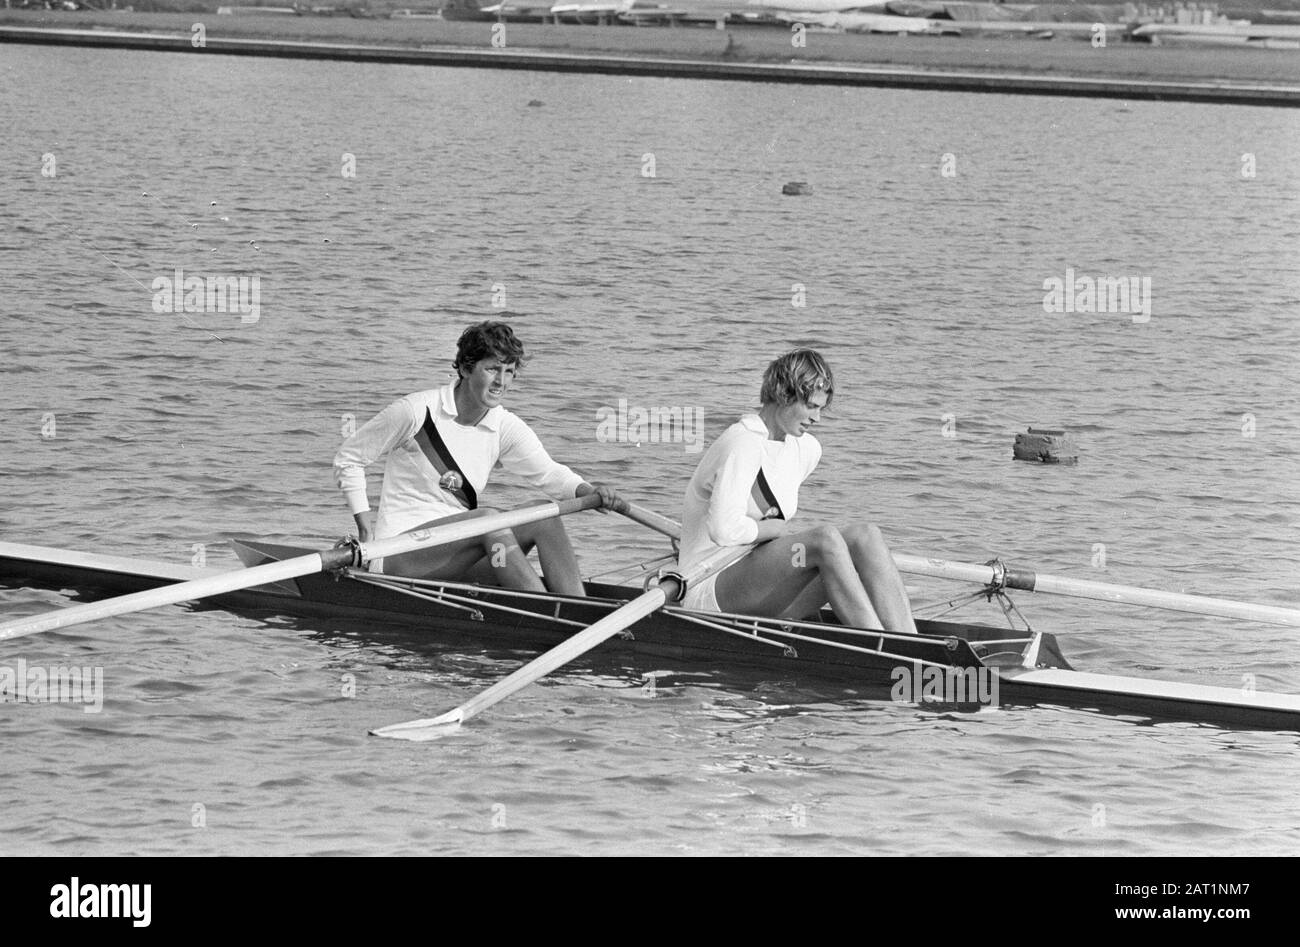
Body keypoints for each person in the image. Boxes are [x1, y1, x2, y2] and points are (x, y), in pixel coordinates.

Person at [333, 321, 626, 593]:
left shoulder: (503, 425)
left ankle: (578, 607)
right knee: (489, 520)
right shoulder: (416, 411)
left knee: (543, 514)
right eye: (492, 369)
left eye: (509, 371)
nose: (501, 382)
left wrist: (591, 492)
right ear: (465, 368)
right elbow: (349, 458)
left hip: (461, 558)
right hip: (399, 557)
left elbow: (550, 475)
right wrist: (365, 530)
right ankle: (552, 616)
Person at [678, 349, 918, 634]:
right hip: (709, 588)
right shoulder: (742, 442)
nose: (817, 418)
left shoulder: (806, 449)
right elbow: (723, 530)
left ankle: (909, 639)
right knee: (824, 540)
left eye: (821, 408)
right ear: (783, 394)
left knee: (865, 537)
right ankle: (884, 647)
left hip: (762, 584)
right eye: (810, 406)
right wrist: (776, 530)